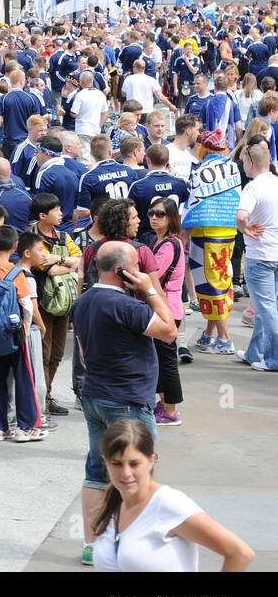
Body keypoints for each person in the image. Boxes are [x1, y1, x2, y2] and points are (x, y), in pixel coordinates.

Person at [72, 241, 178, 568]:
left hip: (94, 394)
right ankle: (133, 541)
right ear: (122, 271)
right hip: (127, 400)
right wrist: (150, 290)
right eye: (136, 266)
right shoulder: (128, 306)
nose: (142, 272)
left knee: (97, 469)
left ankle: (92, 544)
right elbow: (169, 331)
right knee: (135, 472)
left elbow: (85, 353)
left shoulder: (85, 300)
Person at [90, 420, 254, 572]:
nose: (126, 473)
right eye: (117, 464)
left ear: (151, 460)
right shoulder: (112, 505)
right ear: (105, 462)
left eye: (134, 464)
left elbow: (240, 553)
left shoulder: (168, 504)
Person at [0, 226, 47, 443]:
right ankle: (25, 427)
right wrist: (26, 329)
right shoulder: (16, 272)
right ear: (16, 247)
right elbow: (27, 305)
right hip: (14, 333)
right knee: (24, 378)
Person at [182, 129, 242, 355]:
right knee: (220, 279)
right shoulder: (232, 166)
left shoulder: (201, 171)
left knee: (210, 283)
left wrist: (184, 235)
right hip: (229, 231)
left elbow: (194, 206)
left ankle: (225, 338)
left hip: (206, 233)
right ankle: (209, 334)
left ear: (203, 147)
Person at [29, 192, 83, 418]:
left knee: (58, 353)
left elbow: (80, 261)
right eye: (57, 210)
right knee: (43, 353)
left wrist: (60, 260)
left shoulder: (63, 236)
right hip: (43, 303)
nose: (62, 214)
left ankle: (47, 395)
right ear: (43, 215)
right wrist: (67, 265)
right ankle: (41, 399)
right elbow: (46, 268)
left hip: (64, 304)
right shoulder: (31, 238)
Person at [237, 138, 278, 372]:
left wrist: (244, 228)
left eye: (244, 161)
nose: (243, 166)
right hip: (274, 253)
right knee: (267, 308)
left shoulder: (253, 187)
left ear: (251, 162)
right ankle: (255, 352)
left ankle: (274, 359)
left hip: (261, 255)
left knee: (267, 310)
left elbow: (241, 216)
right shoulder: (275, 182)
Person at [146, 197, 188, 422]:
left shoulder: (169, 244)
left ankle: (170, 411)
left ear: (171, 217)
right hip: (163, 309)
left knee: (166, 362)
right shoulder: (161, 241)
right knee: (160, 361)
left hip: (167, 310)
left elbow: (153, 275)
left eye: (160, 214)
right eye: (151, 213)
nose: (154, 217)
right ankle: (164, 405)